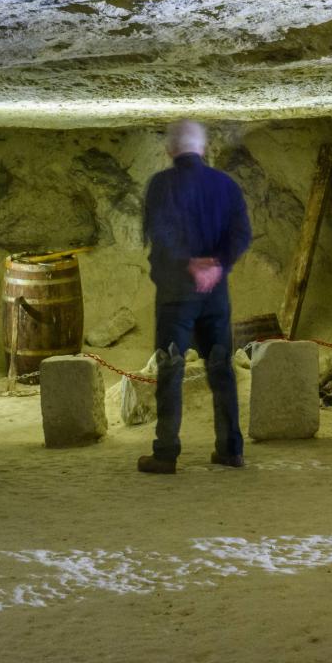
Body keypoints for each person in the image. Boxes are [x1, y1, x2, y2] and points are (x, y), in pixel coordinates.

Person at [139, 119, 251, 475]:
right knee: (222, 370)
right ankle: (230, 449)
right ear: (202, 148)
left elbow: (161, 232)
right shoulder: (226, 186)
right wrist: (216, 265)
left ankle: (166, 452)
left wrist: (189, 263)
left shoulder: (161, 185)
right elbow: (242, 234)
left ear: (171, 149)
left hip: (176, 294)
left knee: (170, 369)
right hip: (214, 293)